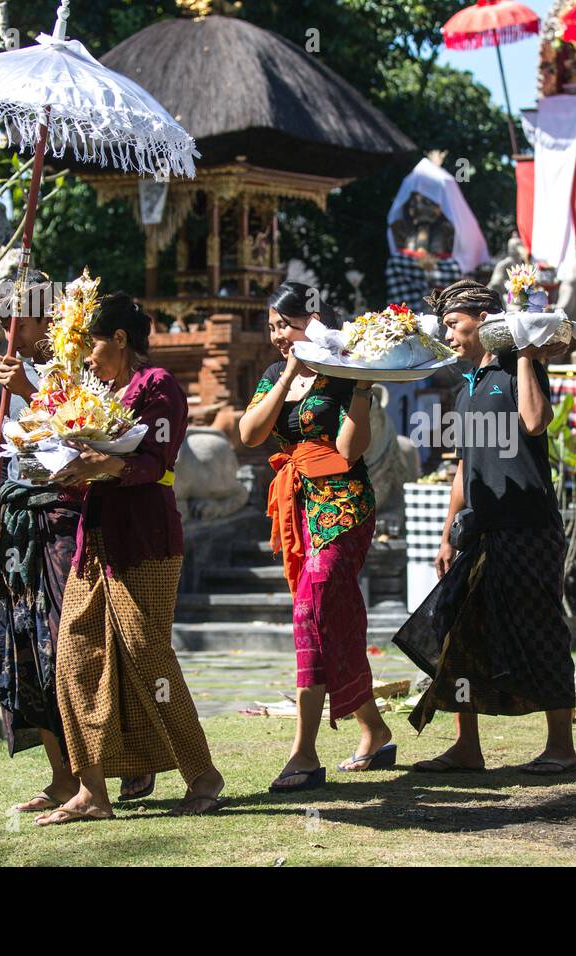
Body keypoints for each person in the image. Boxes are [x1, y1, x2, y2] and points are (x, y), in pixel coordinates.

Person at [36, 293, 224, 824]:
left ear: (120, 339)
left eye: (94, 345)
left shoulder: (157, 386)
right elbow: (91, 466)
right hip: (93, 540)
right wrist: (66, 467)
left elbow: (154, 462)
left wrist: (102, 465)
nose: (88, 358)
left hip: (145, 540)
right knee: (72, 656)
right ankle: (92, 792)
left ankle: (204, 776)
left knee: (148, 657)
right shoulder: (98, 391)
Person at [393, 279, 576, 775]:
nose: (449, 334)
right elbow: (463, 467)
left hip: (528, 525)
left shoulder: (522, 367)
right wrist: (446, 532)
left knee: (540, 627)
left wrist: (519, 351)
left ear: (484, 319)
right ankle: (466, 747)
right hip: (477, 530)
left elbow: (537, 423)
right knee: (456, 628)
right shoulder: (464, 388)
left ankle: (561, 746)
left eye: (455, 324)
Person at [238, 281, 392, 792]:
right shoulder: (271, 374)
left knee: (312, 605)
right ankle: (373, 728)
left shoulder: (345, 368)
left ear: (316, 320)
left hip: (344, 503)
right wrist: (287, 372)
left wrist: (363, 386)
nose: (281, 334)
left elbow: (351, 449)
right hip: (296, 503)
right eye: (275, 326)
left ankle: (302, 752)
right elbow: (250, 434)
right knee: (328, 614)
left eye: (290, 324)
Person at [0, 271, 82, 813]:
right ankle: (62, 776)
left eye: (19, 322)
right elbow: (4, 454)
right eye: (2, 325)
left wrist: (31, 391)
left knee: (68, 647)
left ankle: (107, 771)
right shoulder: (6, 373)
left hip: (65, 521)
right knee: (24, 648)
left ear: (48, 318)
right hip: (17, 523)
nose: (9, 336)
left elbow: (84, 433)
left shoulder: (76, 363)